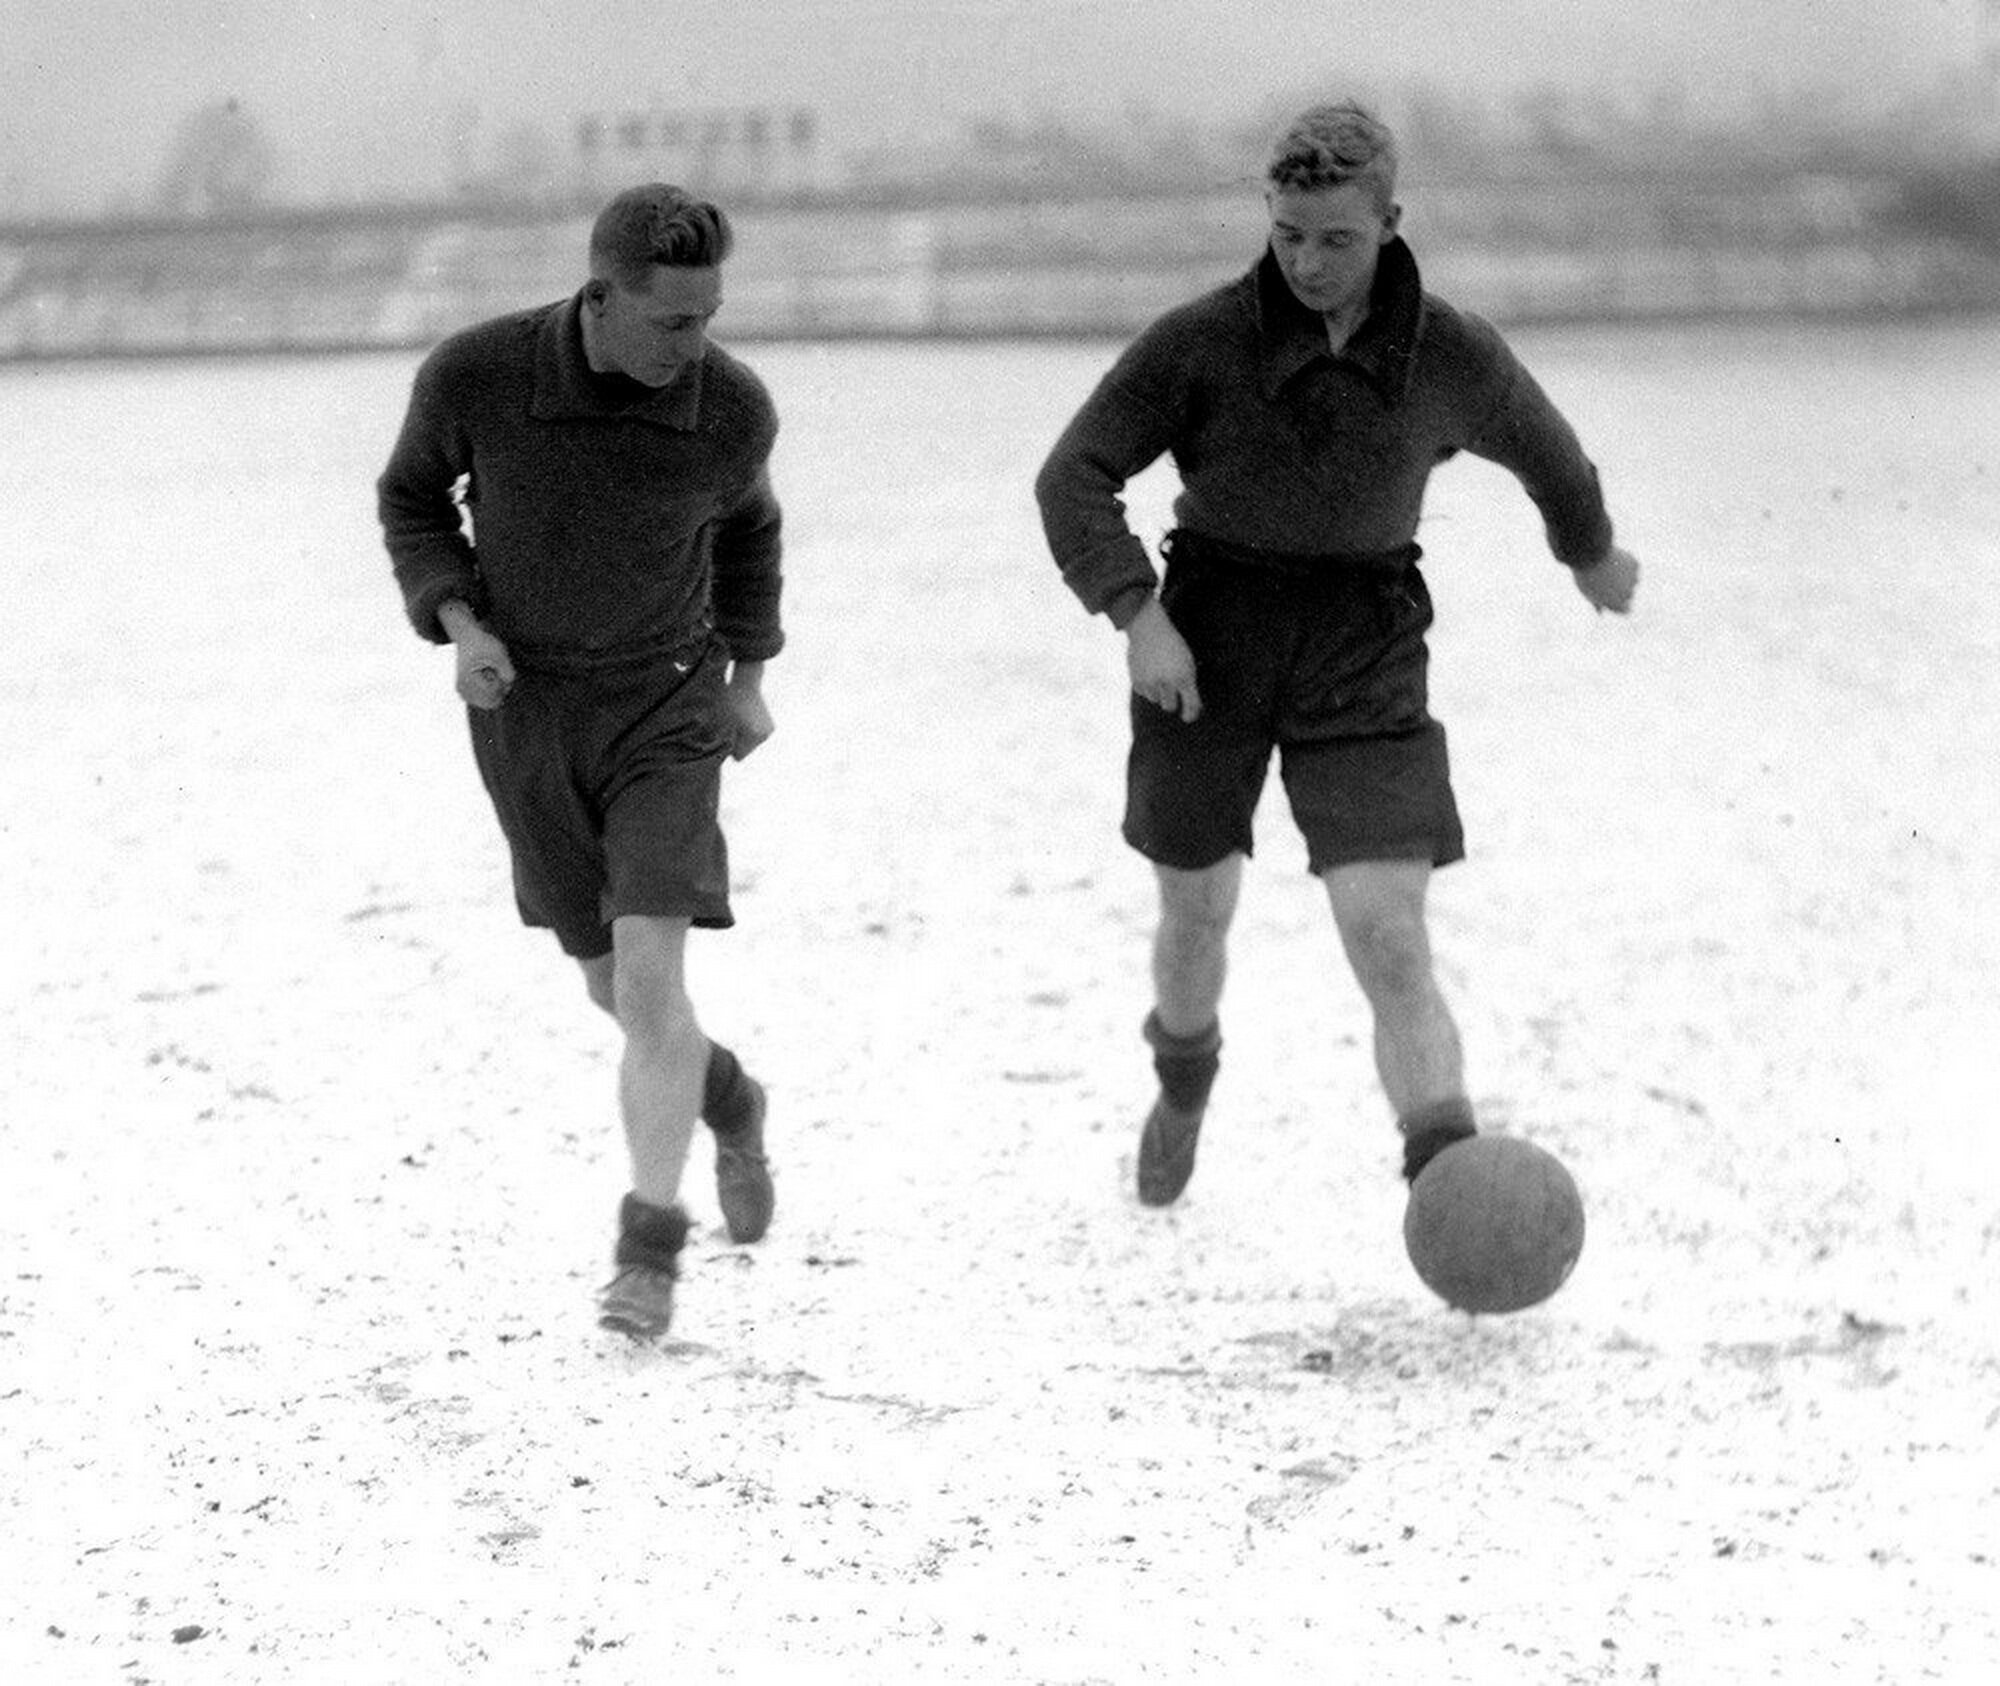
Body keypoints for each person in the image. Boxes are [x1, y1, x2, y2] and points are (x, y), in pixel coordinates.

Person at [1034, 102, 1639, 1207]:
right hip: (1207, 636)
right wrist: (1137, 615)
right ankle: (1183, 1074)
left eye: (1335, 240)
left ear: (1389, 222)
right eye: (1286, 236)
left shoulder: (1451, 353)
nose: (1307, 264)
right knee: (1193, 913)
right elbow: (1070, 475)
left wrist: (1589, 553)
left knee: (1388, 935)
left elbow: (1550, 456)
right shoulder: (1199, 341)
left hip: (1362, 641)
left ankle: (1444, 1175)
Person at [377, 184, 783, 1340]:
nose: (695, 345)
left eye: (709, 316)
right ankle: (730, 1098)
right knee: (611, 986)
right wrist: (461, 628)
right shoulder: (477, 375)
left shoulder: (731, 407)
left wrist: (747, 676)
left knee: (651, 979)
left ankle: (648, 1252)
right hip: (527, 714)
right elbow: (411, 502)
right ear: (599, 296)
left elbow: (752, 528)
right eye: (672, 322)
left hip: (666, 706)